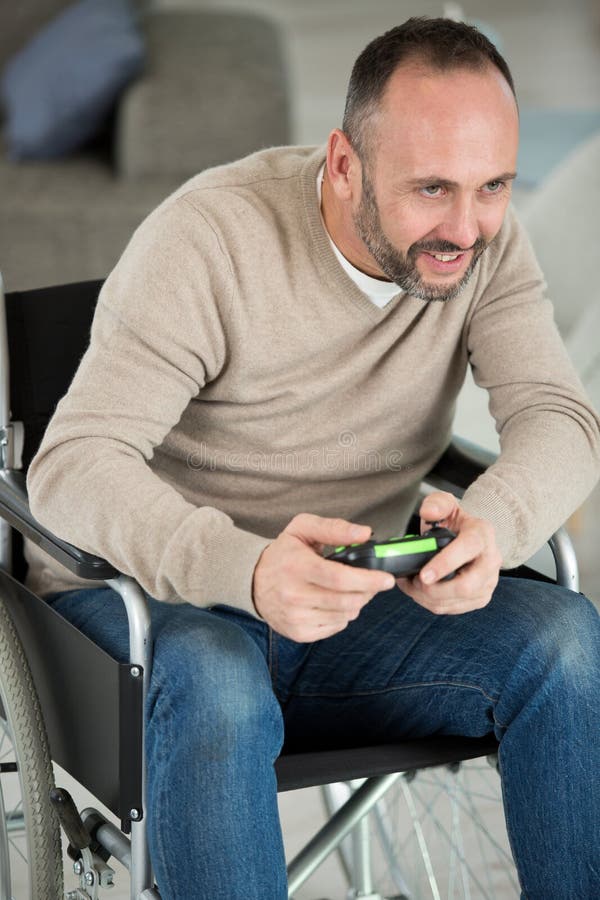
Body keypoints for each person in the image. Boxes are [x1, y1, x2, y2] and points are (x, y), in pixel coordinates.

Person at [26, 16, 600, 900]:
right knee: (218, 678)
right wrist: (246, 569)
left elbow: (563, 418)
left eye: (493, 186)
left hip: (347, 607)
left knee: (562, 638)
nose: (465, 226)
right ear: (343, 164)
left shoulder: (485, 246)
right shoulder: (212, 240)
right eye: (432, 189)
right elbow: (73, 465)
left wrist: (495, 523)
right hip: (148, 605)